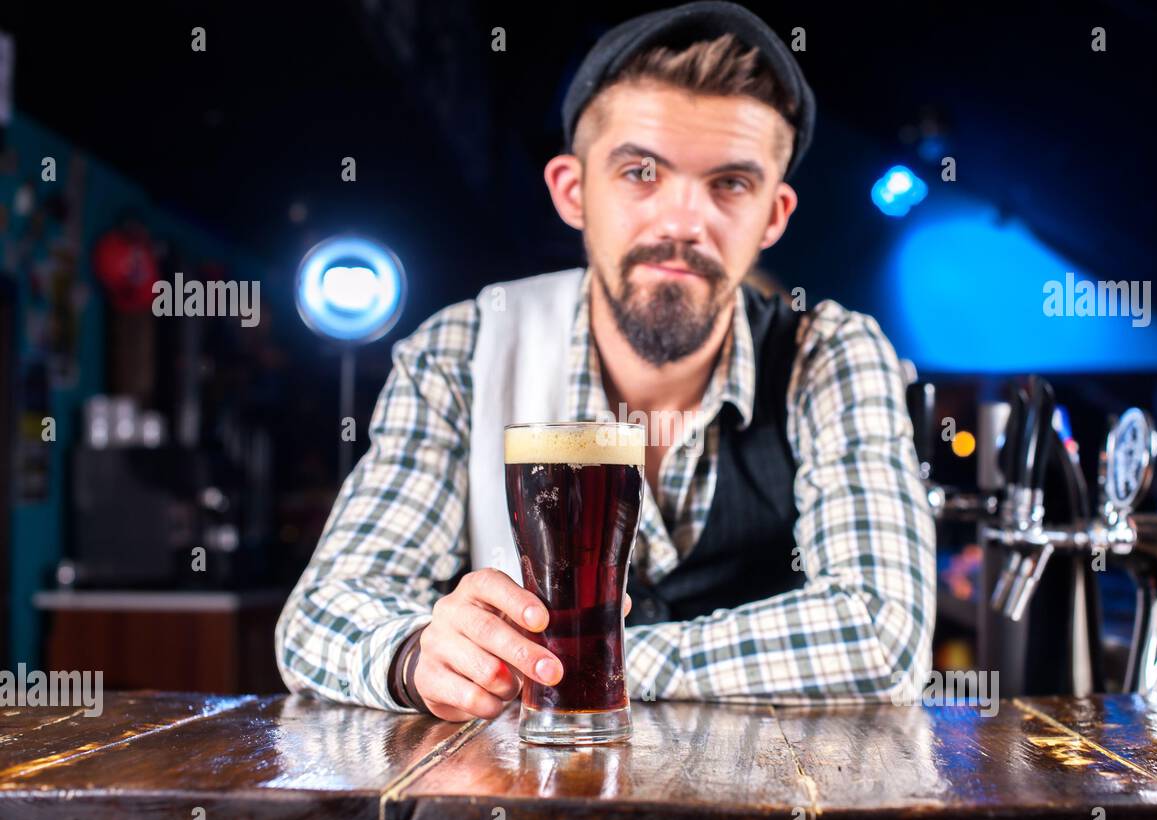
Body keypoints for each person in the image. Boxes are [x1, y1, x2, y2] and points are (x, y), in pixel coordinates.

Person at [275, 0, 936, 722]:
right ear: (572, 191)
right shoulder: (461, 350)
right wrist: (415, 653)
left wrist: (592, 659)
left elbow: (883, 636)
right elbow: (320, 615)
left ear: (773, 215)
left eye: (730, 184)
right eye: (641, 172)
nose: (684, 221)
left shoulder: (832, 354)